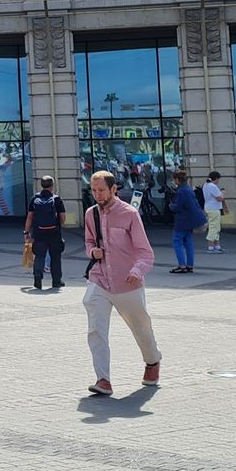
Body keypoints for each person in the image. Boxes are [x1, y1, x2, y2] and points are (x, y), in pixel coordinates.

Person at [81, 170, 162, 398]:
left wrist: (137, 271)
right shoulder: (90, 214)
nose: (97, 194)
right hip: (99, 280)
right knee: (96, 330)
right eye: (94, 190)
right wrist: (92, 251)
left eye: (101, 190)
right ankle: (103, 380)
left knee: (141, 329)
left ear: (114, 189)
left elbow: (146, 253)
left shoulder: (129, 214)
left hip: (128, 282)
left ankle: (153, 361)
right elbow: (89, 241)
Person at [23, 176, 66, 291]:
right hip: (54, 233)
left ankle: (37, 276)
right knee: (55, 257)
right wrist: (57, 224)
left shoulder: (35, 198)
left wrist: (26, 232)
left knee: (39, 256)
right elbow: (63, 218)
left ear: (41, 185)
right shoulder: (57, 199)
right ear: (52, 185)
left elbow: (30, 217)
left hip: (39, 232)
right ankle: (56, 281)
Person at [168, 171, 203, 273]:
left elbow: (177, 207)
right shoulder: (188, 189)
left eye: (174, 179)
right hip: (191, 220)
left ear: (177, 180)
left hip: (182, 220)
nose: (173, 181)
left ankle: (182, 265)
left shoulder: (181, 191)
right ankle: (189, 265)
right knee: (188, 242)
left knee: (177, 241)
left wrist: (171, 206)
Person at [201, 171, 226, 254]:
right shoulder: (213, 186)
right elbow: (219, 198)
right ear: (216, 178)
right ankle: (211, 247)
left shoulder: (205, 185)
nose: (219, 181)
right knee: (214, 227)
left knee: (215, 227)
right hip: (214, 208)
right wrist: (222, 194)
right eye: (218, 179)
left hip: (209, 207)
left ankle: (217, 246)